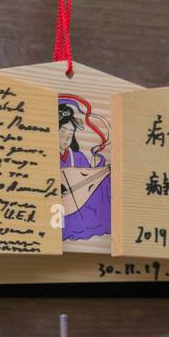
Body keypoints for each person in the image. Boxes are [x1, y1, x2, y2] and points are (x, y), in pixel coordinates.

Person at [57, 98, 112, 243]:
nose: (66, 138)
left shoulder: (78, 156)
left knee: (105, 181)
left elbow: (89, 176)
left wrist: (97, 166)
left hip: (78, 202)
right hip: (57, 208)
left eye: (70, 133)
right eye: (63, 131)